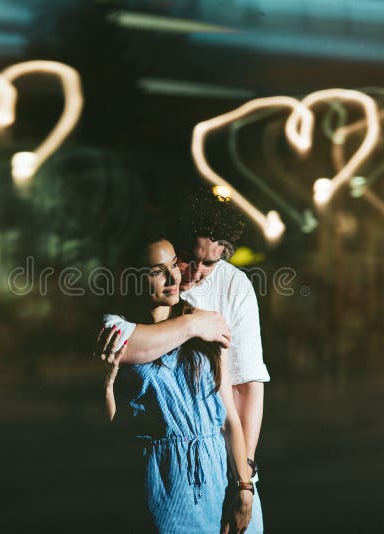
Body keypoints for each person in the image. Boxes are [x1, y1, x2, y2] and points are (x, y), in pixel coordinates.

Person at [98, 188, 268, 532]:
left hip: (226, 466)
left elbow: (244, 391)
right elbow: (124, 346)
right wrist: (193, 324)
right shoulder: (137, 312)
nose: (192, 273)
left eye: (210, 263)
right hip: (166, 477)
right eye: (188, 258)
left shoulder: (233, 288)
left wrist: (243, 480)